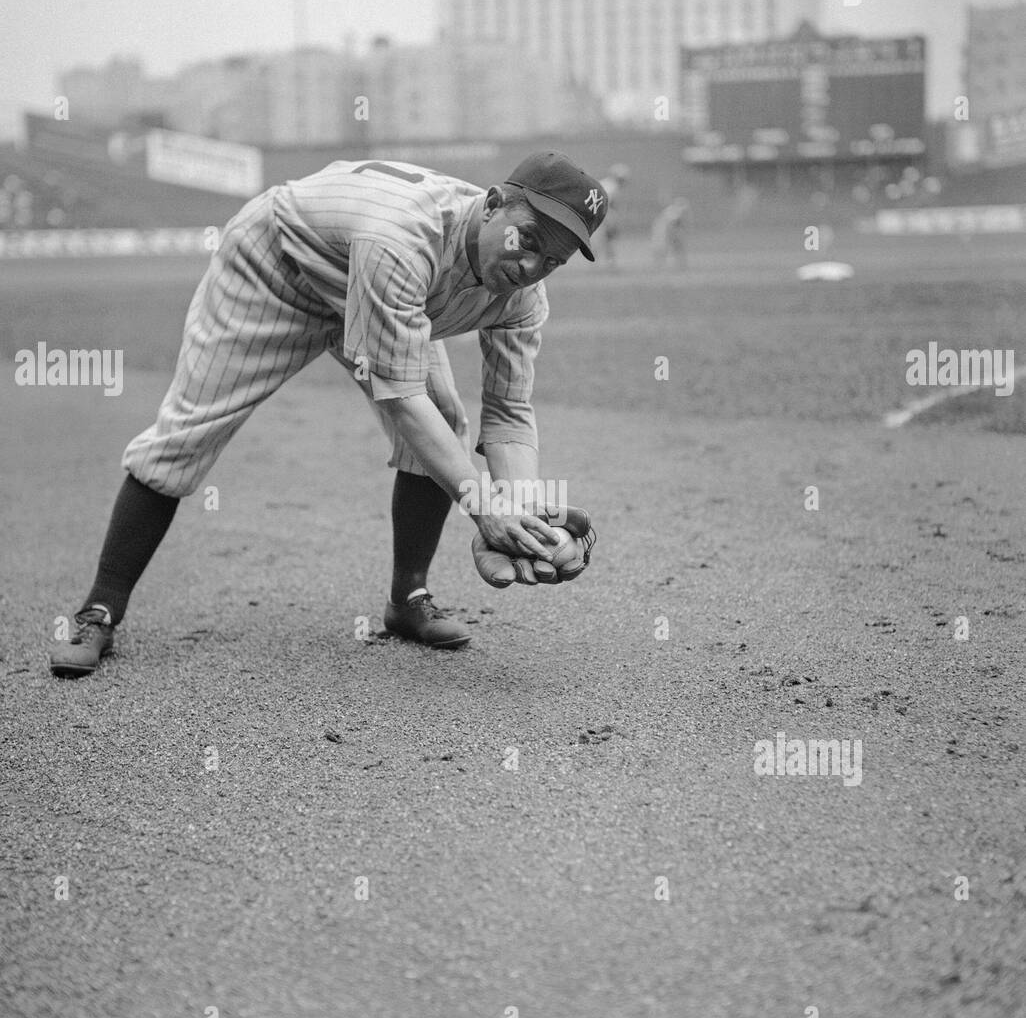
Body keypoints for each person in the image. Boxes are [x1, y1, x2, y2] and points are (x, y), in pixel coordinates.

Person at [49, 151, 608, 676]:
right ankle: (100, 608)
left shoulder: (524, 296)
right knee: (189, 433)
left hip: (380, 287)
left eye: (552, 261)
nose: (532, 265)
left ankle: (407, 599)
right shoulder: (404, 237)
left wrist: (524, 516)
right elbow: (400, 395)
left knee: (444, 423)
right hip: (275, 268)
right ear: (491, 205)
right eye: (526, 238)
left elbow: (509, 410)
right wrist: (485, 508)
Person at [596, 162, 629, 267]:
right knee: (606, 240)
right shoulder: (611, 187)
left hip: (601, 215)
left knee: (607, 240)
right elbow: (606, 203)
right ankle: (605, 262)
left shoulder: (608, 184)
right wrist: (611, 218)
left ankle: (607, 261)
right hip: (604, 216)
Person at [650, 196, 691, 269]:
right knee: (662, 249)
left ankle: (679, 265)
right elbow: (673, 223)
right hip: (664, 233)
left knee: (673, 249)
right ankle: (659, 265)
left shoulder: (672, 211)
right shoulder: (672, 211)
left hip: (666, 233)